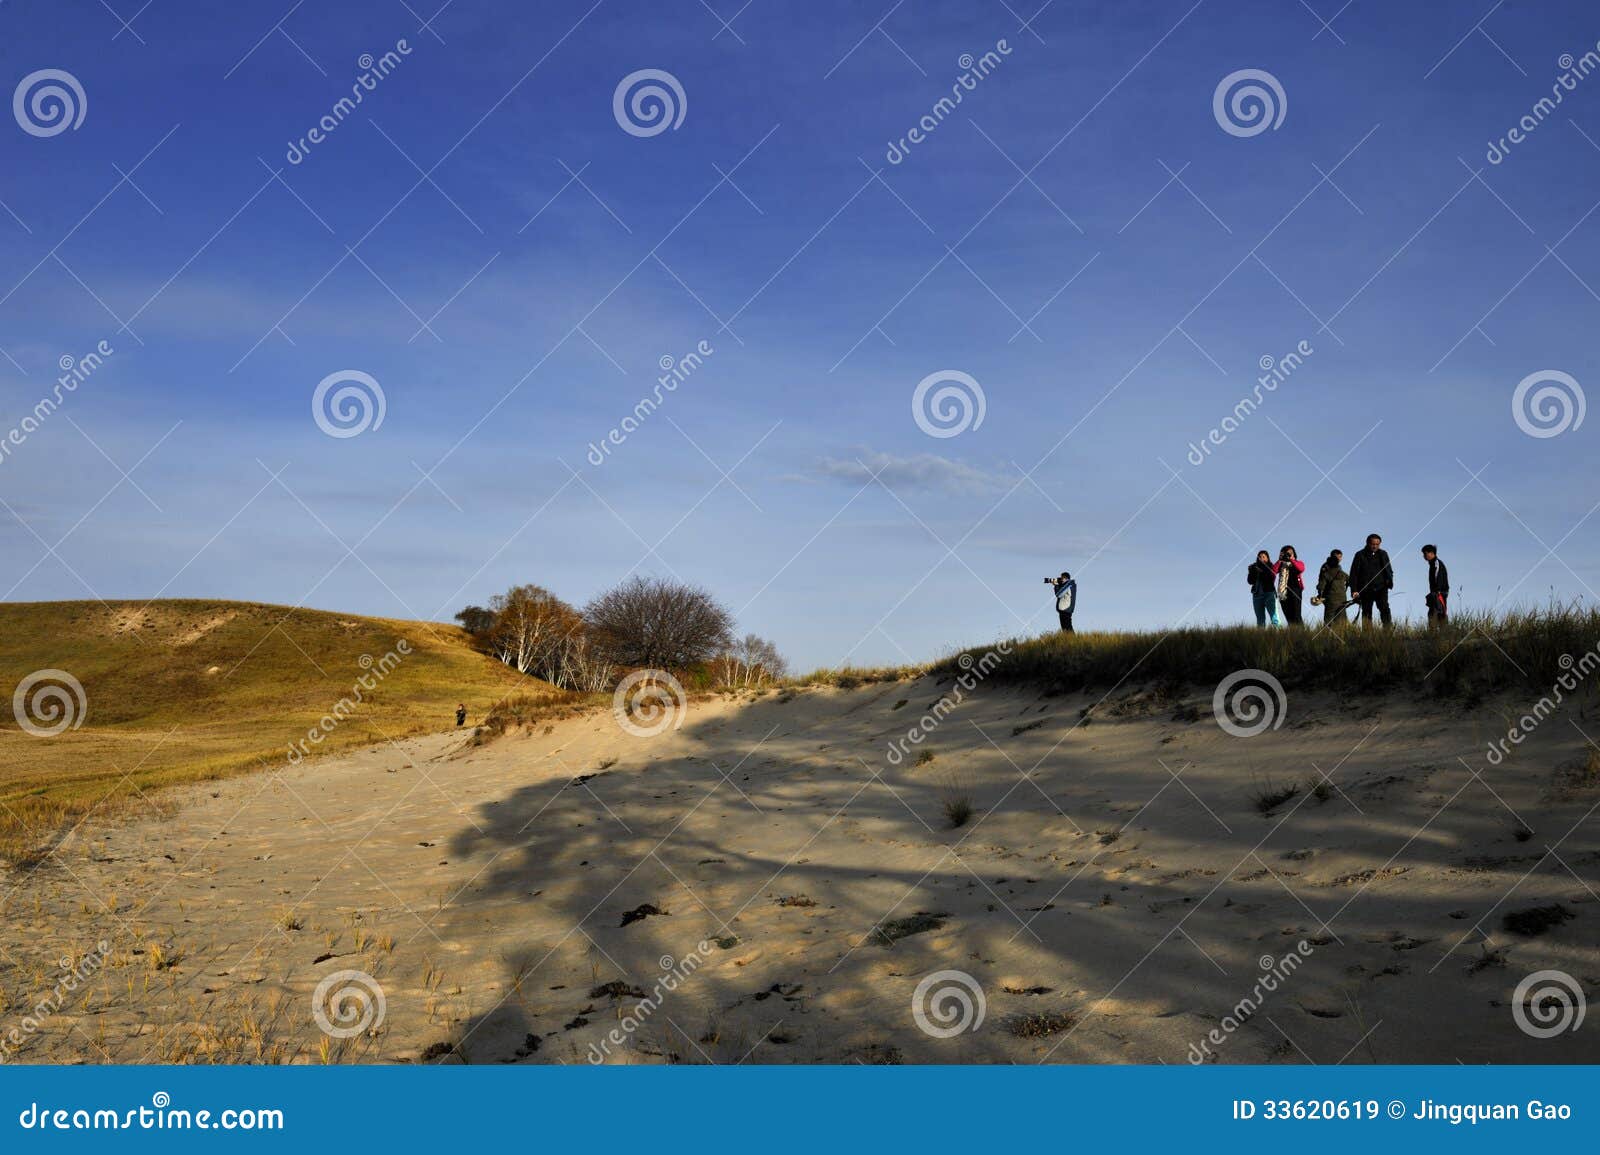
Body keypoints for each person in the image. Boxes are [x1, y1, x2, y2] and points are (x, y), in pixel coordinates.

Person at [1348, 533, 1394, 628]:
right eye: (1373, 544)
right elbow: (1353, 574)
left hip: (1381, 588)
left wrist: (1389, 581)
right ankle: (1367, 635)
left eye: (1377, 544)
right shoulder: (1360, 555)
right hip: (1365, 589)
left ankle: (1388, 631)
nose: (1375, 546)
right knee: (1367, 611)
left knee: (1384, 608)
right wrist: (1354, 590)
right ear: (1368, 543)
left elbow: (1389, 570)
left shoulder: (1383, 554)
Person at [1274, 545, 1307, 626]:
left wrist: (1291, 560)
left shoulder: (1298, 562)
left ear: (1294, 554)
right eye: (1286, 553)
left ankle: (1302, 634)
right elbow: (1273, 571)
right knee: (1288, 615)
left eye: (1290, 553)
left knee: (1296, 614)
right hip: (1283, 591)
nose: (1287, 554)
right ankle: (1293, 634)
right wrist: (1279, 560)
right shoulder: (1281, 564)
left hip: (1295, 589)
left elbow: (1301, 568)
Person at [1314, 549, 1349, 625]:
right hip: (1332, 596)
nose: (1339, 559)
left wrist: (1320, 593)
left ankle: (1331, 634)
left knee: (1331, 618)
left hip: (1333, 597)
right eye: (1338, 557)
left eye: (1340, 557)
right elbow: (1322, 582)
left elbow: (1321, 583)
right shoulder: (1326, 567)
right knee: (1339, 619)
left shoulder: (1338, 567)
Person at [1247, 551, 1280, 627]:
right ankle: (1261, 635)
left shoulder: (1271, 566)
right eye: (1260, 556)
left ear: (1267, 558)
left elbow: (1271, 577)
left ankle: (1278, 633)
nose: (1261, 558)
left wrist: (1261, 571)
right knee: (1260, 618)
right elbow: (1250, 581)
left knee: (1274, 616)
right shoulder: (1254, 567)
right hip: (1257, 594)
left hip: (1269, 593)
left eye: (1263, 556)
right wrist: (1251, 572)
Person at [1422, 545, 1449, 626]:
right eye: (1423, 554)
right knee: (1437, 613)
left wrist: (1437, 593)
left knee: (1435, 614)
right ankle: (1440, 634)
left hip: (1439, 593)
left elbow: (1439, 578)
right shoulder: (1433, 564)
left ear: (1432, 553)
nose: (1424, 556)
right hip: (1437, 593)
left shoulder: (1436, 564)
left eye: (1425, 553)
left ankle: (1438, 635)